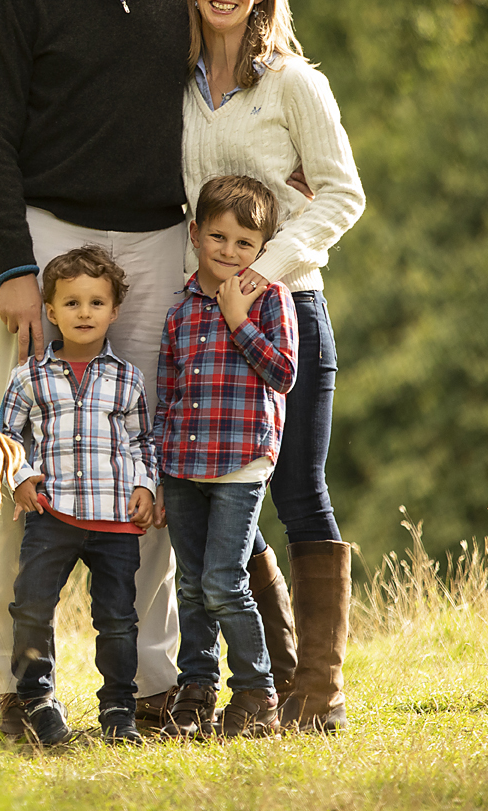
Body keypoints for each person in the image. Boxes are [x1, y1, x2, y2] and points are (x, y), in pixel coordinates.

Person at [0, 0, 189, 739]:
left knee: (146, 463)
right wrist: (15, 268)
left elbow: (244, 76)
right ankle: (16, 687)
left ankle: (147, 685)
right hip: (50, 237)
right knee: (19, 461)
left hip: (159, 242)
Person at [180, 0, 366, 730]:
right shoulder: (178, 84)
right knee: (229, 499)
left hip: (288, 308)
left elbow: (341, 193)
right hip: (203, 322)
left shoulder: (293, 83)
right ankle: (276, 680)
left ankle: (317, 695)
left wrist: (265, 269)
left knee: (297, 492)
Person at [154, 175, 298, 739]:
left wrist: (238, 319)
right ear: (195, 234)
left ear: (261, 248)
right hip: (183, 465)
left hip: (241, 461)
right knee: (190, 582)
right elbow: (167, 398)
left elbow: (283, 374)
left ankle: (256, 691)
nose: (229, 251)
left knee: (223, 581)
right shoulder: (180, 314)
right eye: (218, 237)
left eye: (244, 243)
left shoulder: (271, 300)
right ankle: (196, 690)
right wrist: (161, 473)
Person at [0, 246, 157, 745]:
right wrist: (19, 476)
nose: (83, 313)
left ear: (114, 311)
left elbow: (141, 442)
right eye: (71, 303)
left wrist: (145, 485)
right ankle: (38, 700)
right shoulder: (29, 377)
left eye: (95, 302)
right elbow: (5, 437)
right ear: (50, 311)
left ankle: (118, 708)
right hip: (52, 514)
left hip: (114, 518)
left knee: (116, 617)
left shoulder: (128, 378)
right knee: (31, 606)